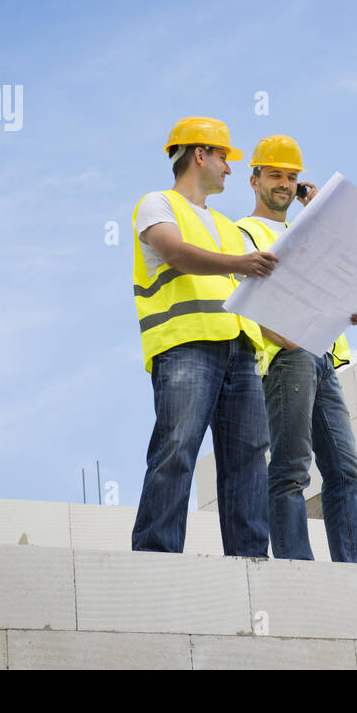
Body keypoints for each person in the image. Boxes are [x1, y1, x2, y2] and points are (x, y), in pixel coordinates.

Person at [129, 117, 279, 556]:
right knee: (177, 447)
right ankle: (156, 555)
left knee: (249, 459)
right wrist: (241, 264)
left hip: (241, 350)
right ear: (200, 155)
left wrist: (335, 315)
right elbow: (174, 252)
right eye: (224, 158)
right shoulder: (157, 204)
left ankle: (250, 560)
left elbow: (254, 298)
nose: (230, 168)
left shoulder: (229, 229)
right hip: (188, 346)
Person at [235, 135, 357, 563]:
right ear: (254, 178)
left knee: (345, 471)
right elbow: (244, 298)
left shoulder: (309, 230)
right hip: (287, 357)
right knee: (291, 468)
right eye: (275, 174)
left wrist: (349, 309)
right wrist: (282, 337)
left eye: (291, 177)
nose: (284, 183)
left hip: (323, 357)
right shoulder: (246, 231)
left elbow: (333, 283)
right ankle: (297, 564)